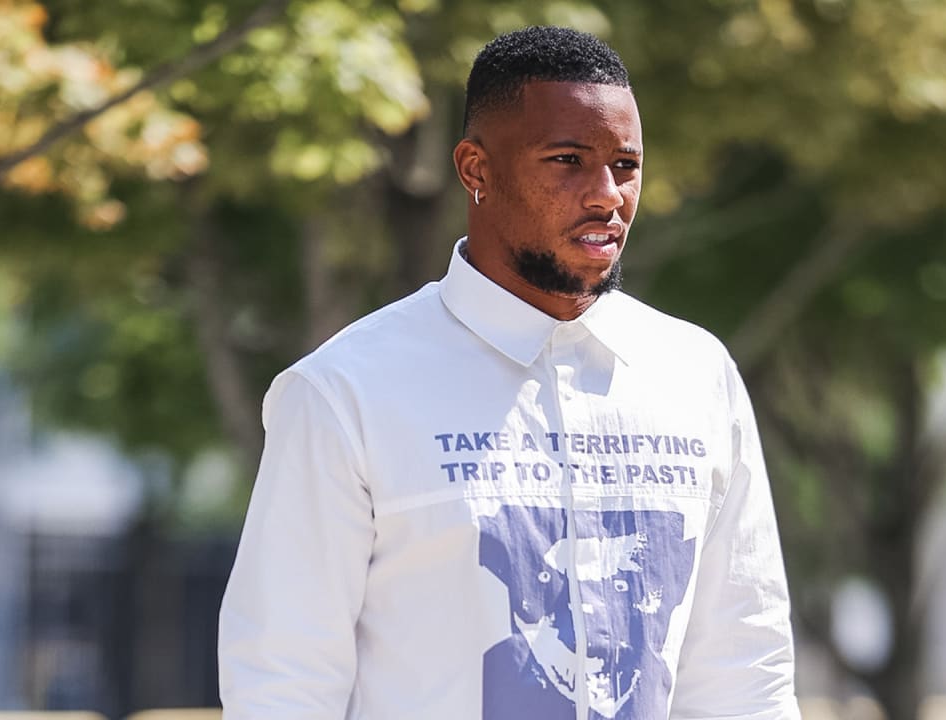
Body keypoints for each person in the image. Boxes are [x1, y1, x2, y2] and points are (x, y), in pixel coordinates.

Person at [219, 25, 798, 720]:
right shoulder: (346, 393)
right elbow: (282, 683)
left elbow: (744, 670)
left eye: (625, 164)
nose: (608, 195)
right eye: (567, 160)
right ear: (476, 170)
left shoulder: (697, 376)